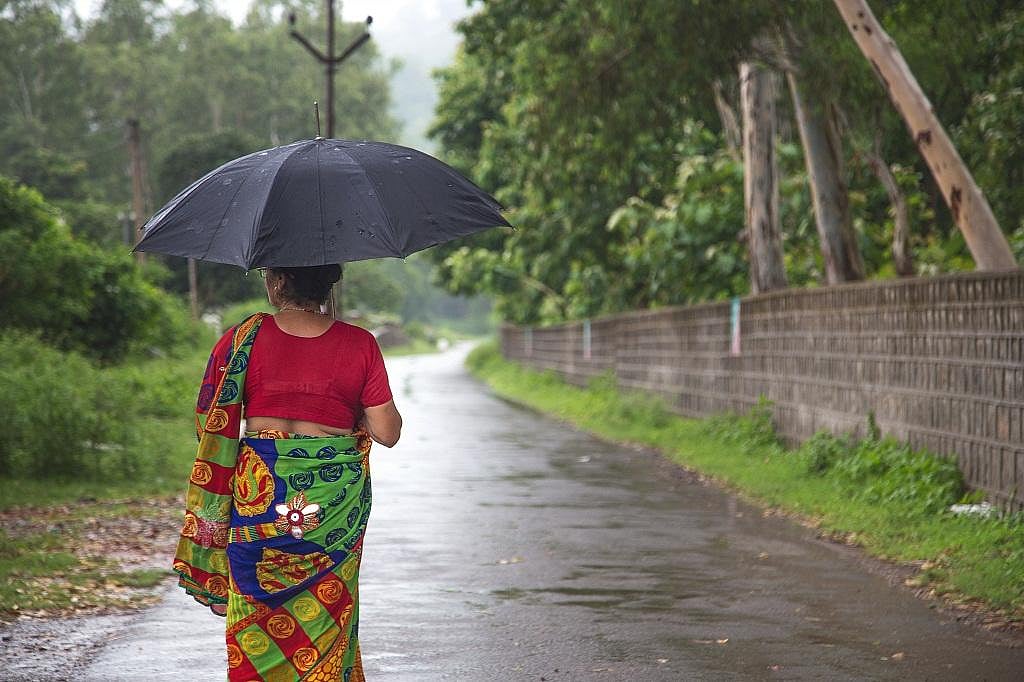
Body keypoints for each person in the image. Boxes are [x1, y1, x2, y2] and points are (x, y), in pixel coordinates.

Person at [173, 264, 402, 682]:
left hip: (257, 507)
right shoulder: (359, 344)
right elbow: (387, 432)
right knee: (327, 621)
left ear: (279, 281)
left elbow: (209, 421)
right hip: (330, 515)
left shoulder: (242, 340)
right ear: (328, 283)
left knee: (254, 619)